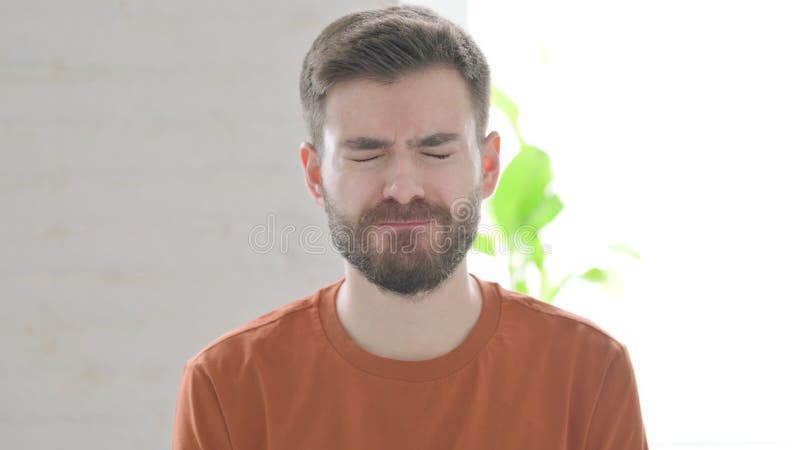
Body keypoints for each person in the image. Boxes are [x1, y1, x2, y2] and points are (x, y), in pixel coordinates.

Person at [172, 5, 648, 450]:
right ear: (315, 175)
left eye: (436, 153)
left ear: (488, 167)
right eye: (366, 154)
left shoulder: (587, 373)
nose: (403, 188)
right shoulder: (227, 388)